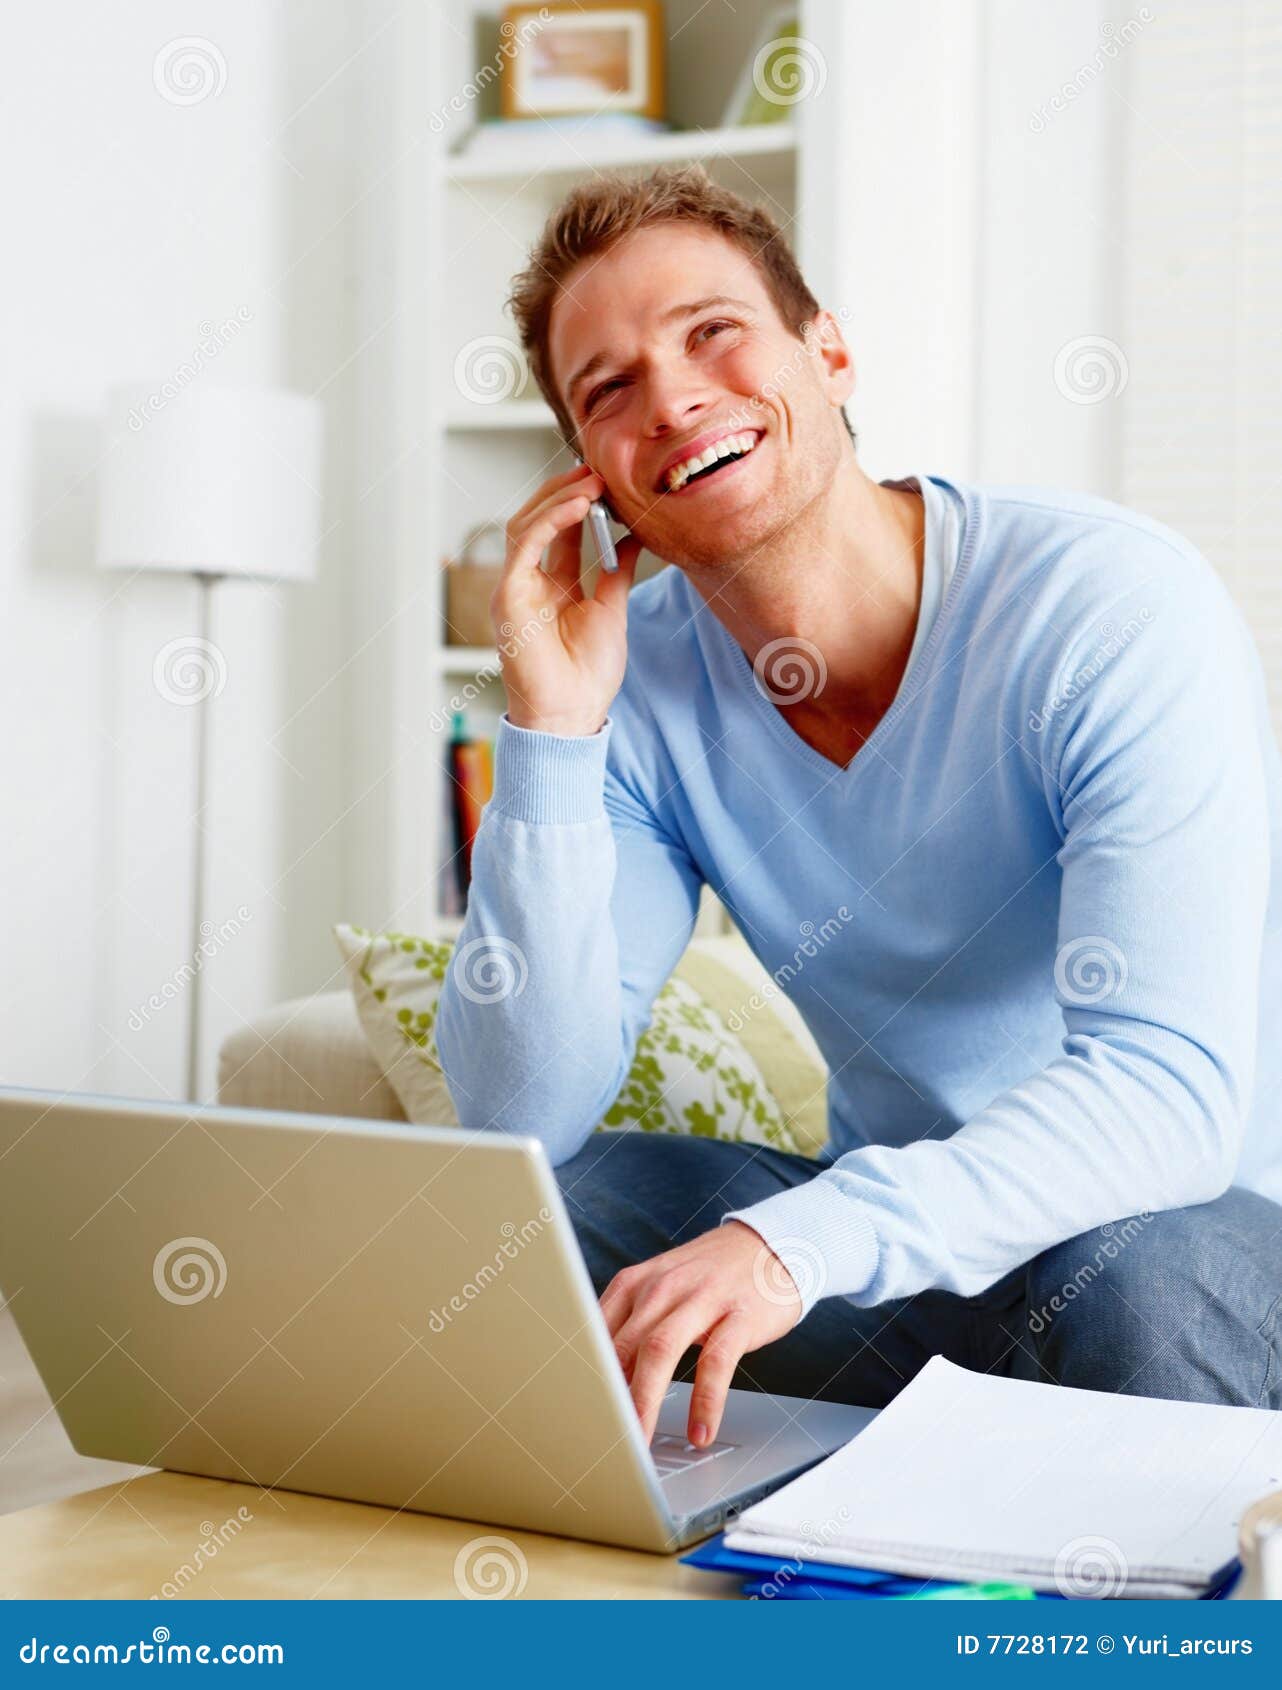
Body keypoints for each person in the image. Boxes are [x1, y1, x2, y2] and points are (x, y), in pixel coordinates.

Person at [435, 164, 1282, 1450]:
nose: (670, 397)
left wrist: (791, 1246)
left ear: (826, 350)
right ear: (596, 475)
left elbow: (1168, 1094)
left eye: (712, 332)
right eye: (608, 389)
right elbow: (517, 1118)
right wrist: (553, 731)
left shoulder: (1104, 606)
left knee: (1136, 1282)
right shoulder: (636, 679)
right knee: (533, 1219)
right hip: (914, 1272)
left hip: (1196, 1227)